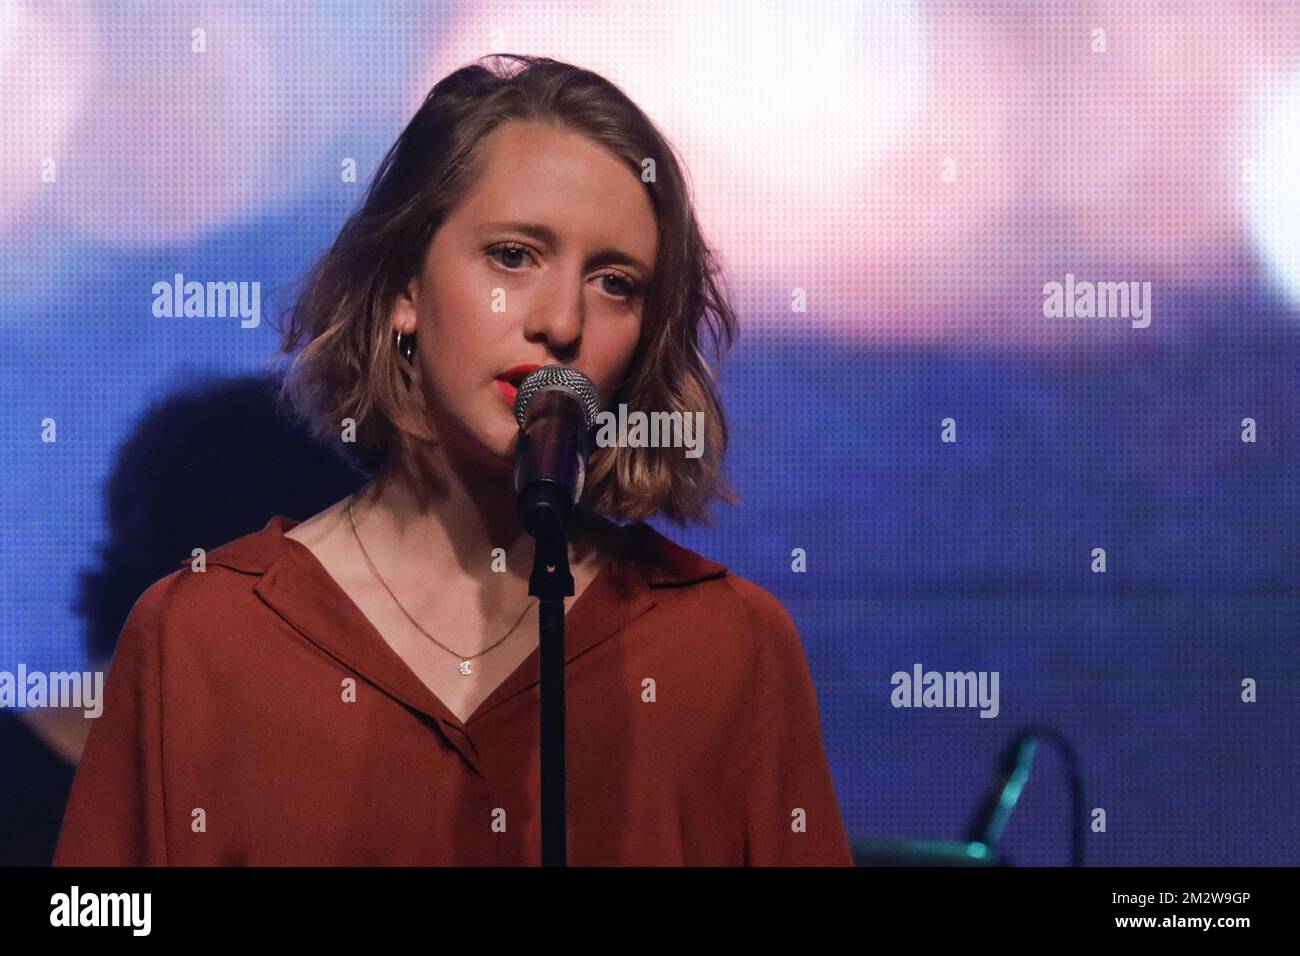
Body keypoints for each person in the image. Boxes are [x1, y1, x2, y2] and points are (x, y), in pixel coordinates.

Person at [54, 54, 853, 866]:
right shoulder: (203, 635)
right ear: (405, 286)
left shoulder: (726, 647)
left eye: (616, 283)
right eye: (513, 255)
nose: (562, 321)